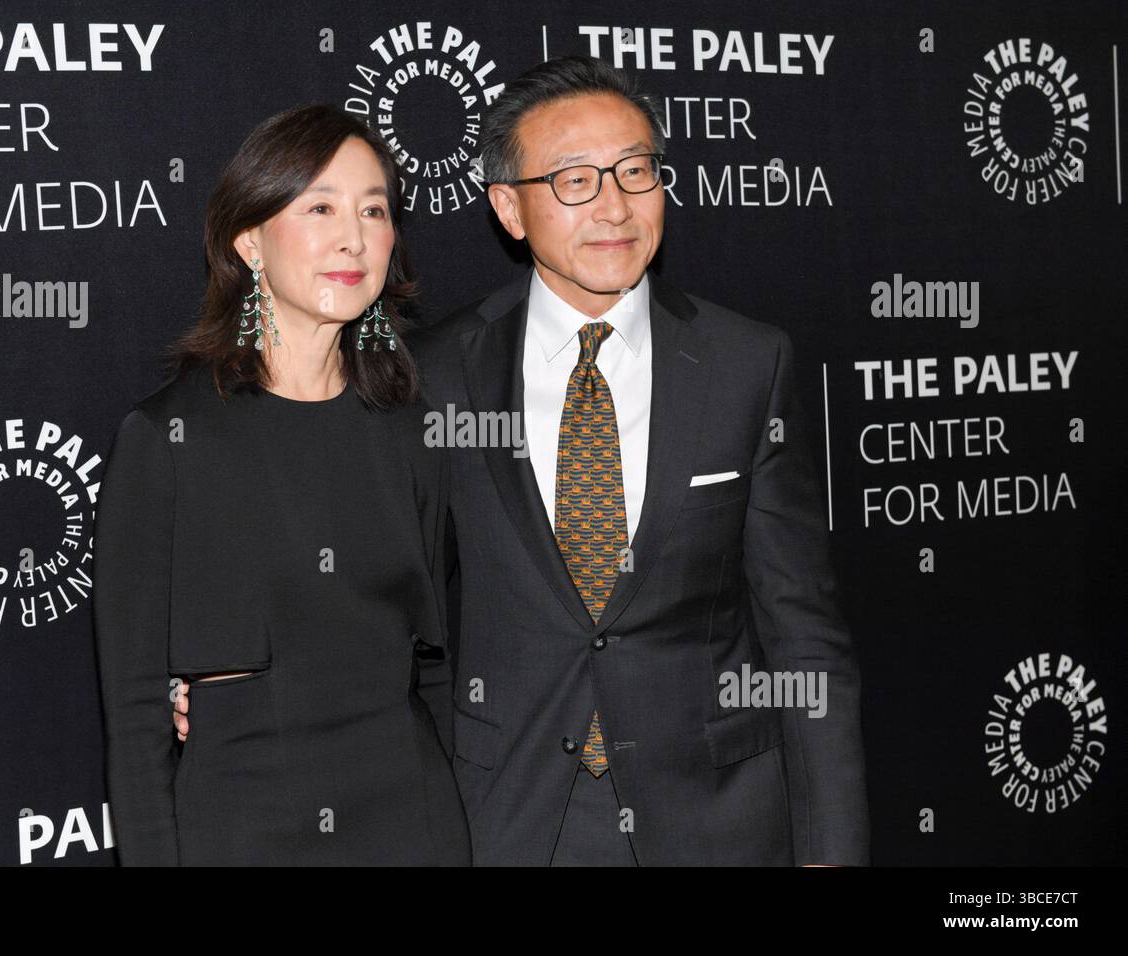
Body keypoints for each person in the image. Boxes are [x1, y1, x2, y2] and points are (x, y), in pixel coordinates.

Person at [178, 55, 870, 866]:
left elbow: (803, 633)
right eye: (574, 180)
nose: (613, 206)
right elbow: (361, 579)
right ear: (509, 208)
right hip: (505, 820)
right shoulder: (431, 376)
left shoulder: (749, 363)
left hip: (718, 820)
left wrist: (830, 850)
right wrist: (232, 686)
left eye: (636, 171)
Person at [91, 104, 470, 866]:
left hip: (413, 817)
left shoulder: (413, 428)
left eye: (374, 209)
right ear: (248, 240)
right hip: (245, 824)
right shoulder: (169, 439)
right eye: (320, 206)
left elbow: (438, 666)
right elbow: (135, 723)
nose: (353, 236)